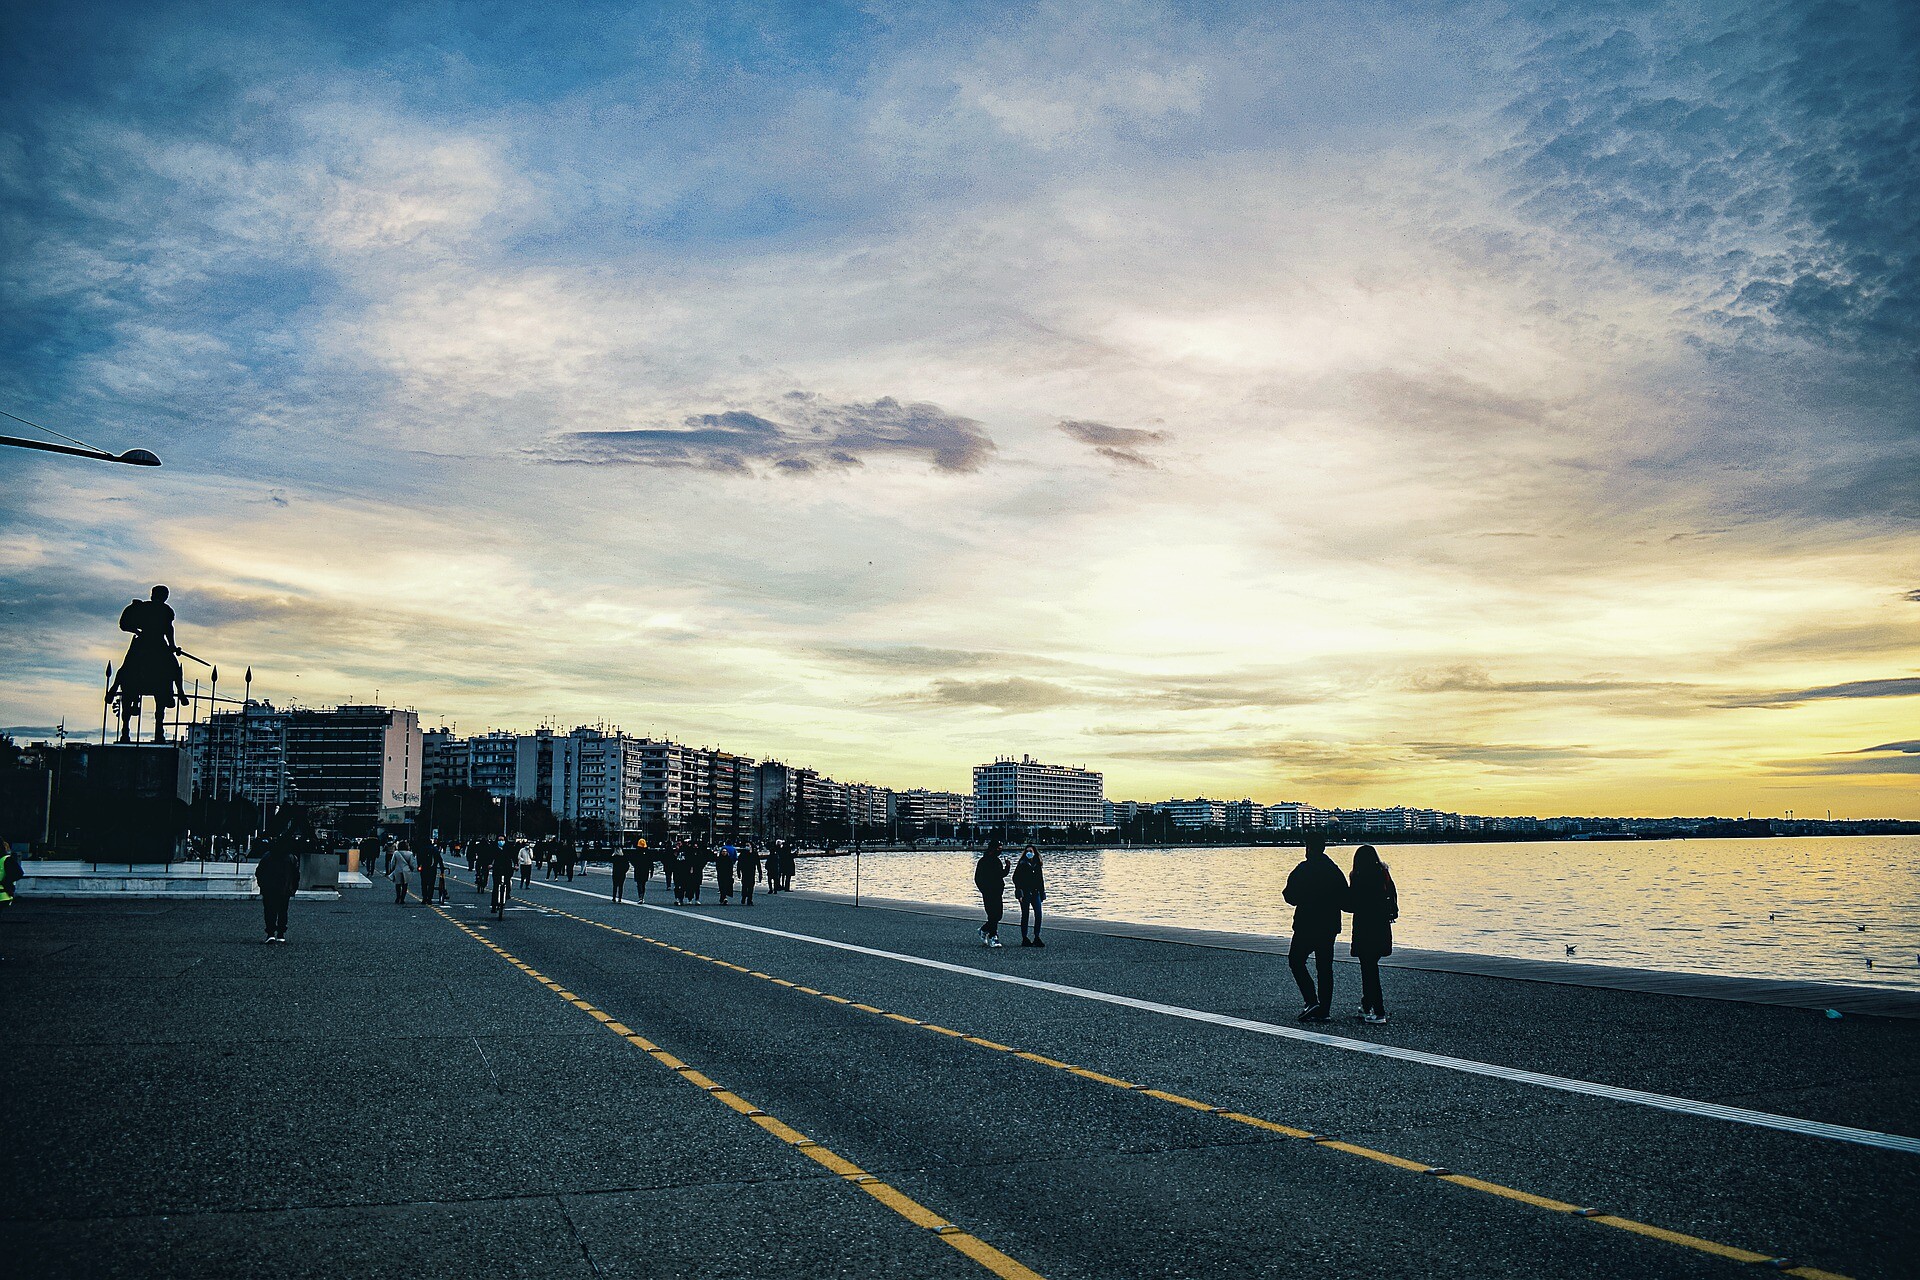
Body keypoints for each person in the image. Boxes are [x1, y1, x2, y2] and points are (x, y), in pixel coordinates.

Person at [1283, 838, 1348, 1022]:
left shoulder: (1303, 869)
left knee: (1296, 960)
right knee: (1325, 967)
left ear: (1309, 848)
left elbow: (1290, 896)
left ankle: (1311, 1000)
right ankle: (1324, 1009)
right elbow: (1345, 900)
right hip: (1329, 926)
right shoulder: (1334, 870)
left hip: (1306, 924)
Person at [1348, 845, 1399, 1024]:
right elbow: (1393, 898)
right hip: (1381, 926)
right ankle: (1367, 1004)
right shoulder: (1383, 874)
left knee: (1368, 969)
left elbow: (1352, 903)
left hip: (1364, 927)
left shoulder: (1358, 877)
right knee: (1370, 967)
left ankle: (1378, 1010)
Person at [254, 836, 300, 943]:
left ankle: (270, 933)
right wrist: (293, 888)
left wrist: (262, 885)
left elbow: (259, 872)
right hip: (285, 889)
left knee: (270, 911)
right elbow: (296, 875)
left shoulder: (267, 856)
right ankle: (281, 934)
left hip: (269, 889)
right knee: (283, 911)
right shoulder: (291, 857)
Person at [974, 843, 1009, 948]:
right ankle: (993, 937)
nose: (1000, 851)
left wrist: (1007, 867)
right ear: (993, 849)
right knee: (992, 914)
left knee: (998, 915)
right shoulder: (983, 861)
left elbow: (1000, 874)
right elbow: (978, 878)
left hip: (997, 891)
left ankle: (984, 930)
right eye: (998, 849)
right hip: (988, 892)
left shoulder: (997, 861)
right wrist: (984, 890)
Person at [1012, 844, 1046, 947]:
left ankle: (1036, 936)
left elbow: (1040, 880)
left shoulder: (1037, 864)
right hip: (1025, 893)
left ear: (1034, 852)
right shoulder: (1022, 864)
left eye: (1031, 851)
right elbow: (1015, 879)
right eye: (1027, 851)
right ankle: (1025, 937)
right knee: (1025, 915)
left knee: (1039, 915)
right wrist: (1019, 893)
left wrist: (1042, 892)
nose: (1029, 853)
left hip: (1036, 893)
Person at [388, 839, 417, 907]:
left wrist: (392, 869)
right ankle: (402, 899)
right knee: (405, 885)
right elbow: (412, 863)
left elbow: (393, 862)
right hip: (406, 870)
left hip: (397, 870)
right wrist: (412, 869)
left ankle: (398, 897)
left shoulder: (396, 853)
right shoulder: (409, 853)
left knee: (398, 884)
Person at [738, 842, 759, 906]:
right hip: (744, 872)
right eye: (746, 845)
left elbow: (758, 864)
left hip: (752, 872)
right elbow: (739, 863)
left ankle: (749, 899)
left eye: (748, 845)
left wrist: (760, 873)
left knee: (751, 886)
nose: (747, 846)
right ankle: (744, 896)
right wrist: (738, 872)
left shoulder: (754, 854)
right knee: (744, 885)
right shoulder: (743, 854)